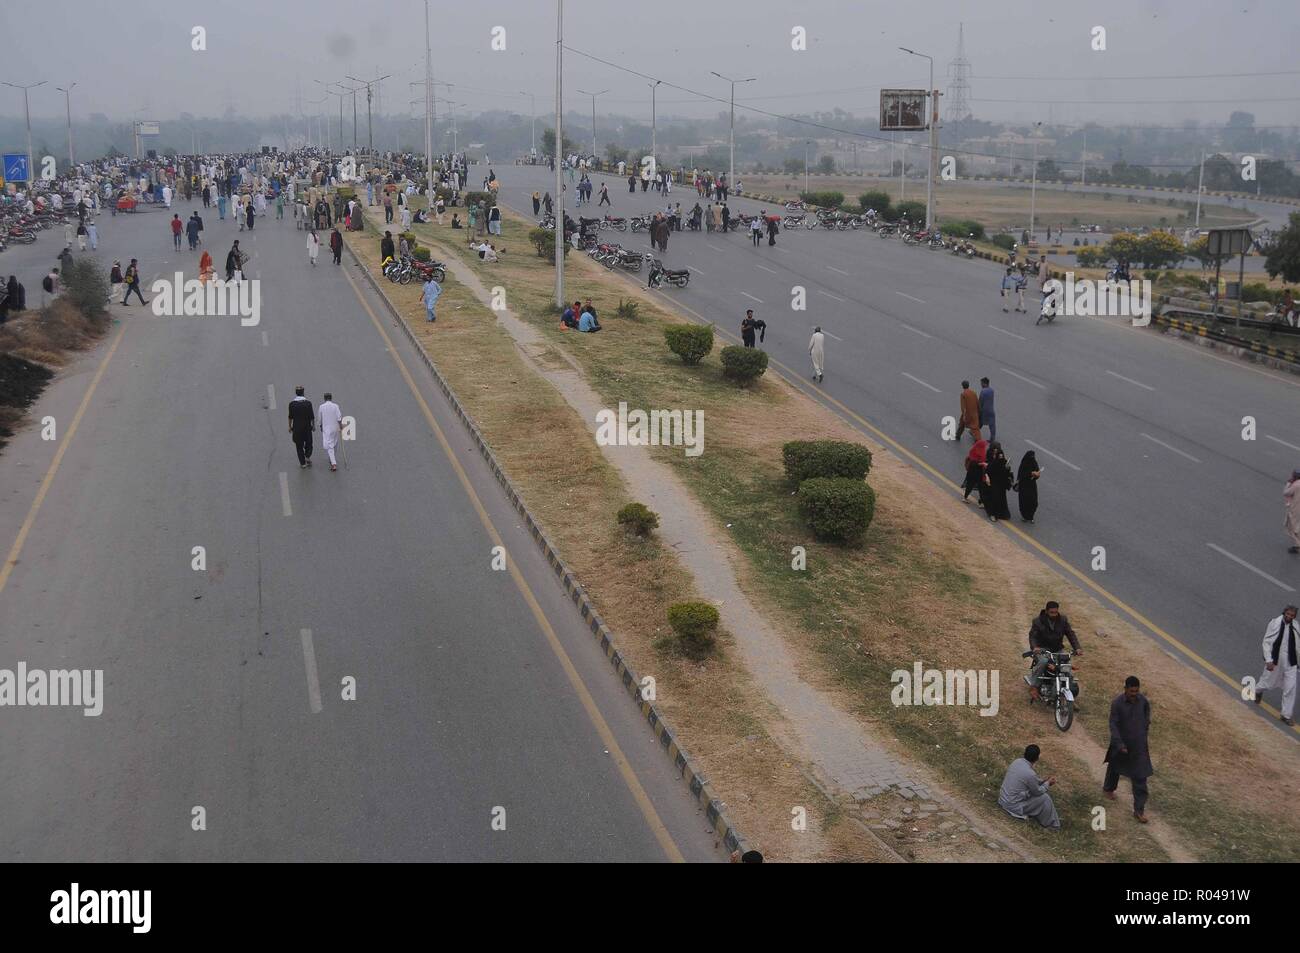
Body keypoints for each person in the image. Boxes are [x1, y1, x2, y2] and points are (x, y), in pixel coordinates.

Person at [1103, 676, 1153, 823]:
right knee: (1115, 766)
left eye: (1136, 691)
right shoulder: (1117, 703)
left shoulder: (1143, 701)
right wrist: (1119, 744)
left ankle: (1139, 810)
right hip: (1122, 744)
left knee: (1140, 777)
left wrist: (1143, 734)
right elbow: (1113, 725)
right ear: (1125, 689)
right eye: (1131, 691)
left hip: (1138, 747)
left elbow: (1146, 717)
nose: (1134, 694)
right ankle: (1108, 788)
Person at [1025, 601, 1082, 699]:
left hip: (1057, 649)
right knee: (1043, 661)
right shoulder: (1038, 621)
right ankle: (1034, 686)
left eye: (1056, 612)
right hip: (1042, 650)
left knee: (1066, 666)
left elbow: (1070, 634)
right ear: (1047, 611)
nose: (1054, 614)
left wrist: (1077, 648)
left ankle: (1069, 696)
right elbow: (1033, 636)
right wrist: (1035, 647)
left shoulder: (1063, 620)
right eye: (1052, 612)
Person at [997, 745, 1060, 830]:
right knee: (1045, 798)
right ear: (1037, 758)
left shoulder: (1016, 761)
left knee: (1033, 795)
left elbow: (1028, 780)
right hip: (1012, 805)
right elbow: (1037, 792)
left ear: (1025, 753)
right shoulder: (1030, 774)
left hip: (1003, 799)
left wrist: (1044, 781)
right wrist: (1048, 783)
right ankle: (1053, 825)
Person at [1255, 605, 1299, 725]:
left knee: (1290, 688)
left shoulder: (1296, 627)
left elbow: (1298, 646)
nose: (1289, 617)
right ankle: (1257, 691)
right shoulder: (1274, 623)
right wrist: (1269, 660)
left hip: (1291, 661)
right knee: (1267, 682)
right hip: (1276, 660)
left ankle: (1286, 715)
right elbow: (1267, 642)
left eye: (1292, 615)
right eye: (1288, 614)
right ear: (1284, 613)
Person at [980, 441, 1013, 522]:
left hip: (1001, 483)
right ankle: (992, 514)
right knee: (993, 498)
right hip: (993, 483)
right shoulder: (992, 462)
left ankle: (1002, 514)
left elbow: (1006, 470)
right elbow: (987, 471)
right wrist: (987, 477)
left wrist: (1008, 469)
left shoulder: (1001, 460)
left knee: (1001, 499)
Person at [287, 385, 315, 469]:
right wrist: (313, 426)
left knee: (299, 446)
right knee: (309, 444)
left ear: (296, 393)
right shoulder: (308, 403)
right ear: (303, 393)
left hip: (297, 429)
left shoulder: (292, 404)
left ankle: (303, 463)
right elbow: (312, 417)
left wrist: (289, 426)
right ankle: (307, 456)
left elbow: (290, 417)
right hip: (307, 428)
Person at [1014, 451, 1041, 523]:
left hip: (1032, 485)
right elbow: (1021, 475)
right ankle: (1025, 516)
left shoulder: (1034, 462)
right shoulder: (1024, 464)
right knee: (1024, 502)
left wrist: (1037, 475)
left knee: (1033, 501)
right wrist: (1030, 473)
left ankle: (1031, 516)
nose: (1032, 459)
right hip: (1024, 486)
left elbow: (1037, 471)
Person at [319, 392, 343, 472]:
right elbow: (339, 417)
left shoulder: (321, 407)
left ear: (324, 398)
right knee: (335, 443)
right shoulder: (336, 406)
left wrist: (320, 425)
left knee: (329, 445)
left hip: (327, 429)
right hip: (335, 427)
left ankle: (334, 464)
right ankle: (332, 457)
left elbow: (320, 418)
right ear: (331, 398)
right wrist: (340, 426)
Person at [962, 438, 989, 503]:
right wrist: (983, 463)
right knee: (981, 487)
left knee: (970, 485)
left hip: (971, 472)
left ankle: (965, 497)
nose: (985, 447)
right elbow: (977, 462)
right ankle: (981, 502)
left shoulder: (973, 451)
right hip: (978, 473)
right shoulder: (981, 453)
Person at [1285, 470, 1300, 554]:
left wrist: (1288, 483)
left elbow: (1286, 492)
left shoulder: (1296, 485)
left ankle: (1298, 545)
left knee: (1291, 527)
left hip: (1296, 509)